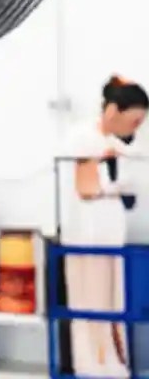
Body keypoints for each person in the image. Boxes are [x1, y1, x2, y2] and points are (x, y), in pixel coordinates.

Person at [59, 75, 148, 378]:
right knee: (90, 302)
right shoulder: (83, 138)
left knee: (113, 302)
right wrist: (112, 179)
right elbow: (85, 188)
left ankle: (113, 363)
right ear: (113, 112)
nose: (135, 129)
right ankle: (91, 366)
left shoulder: (114, 145)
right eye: (134, 121)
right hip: (86, 237)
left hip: (111, 239)